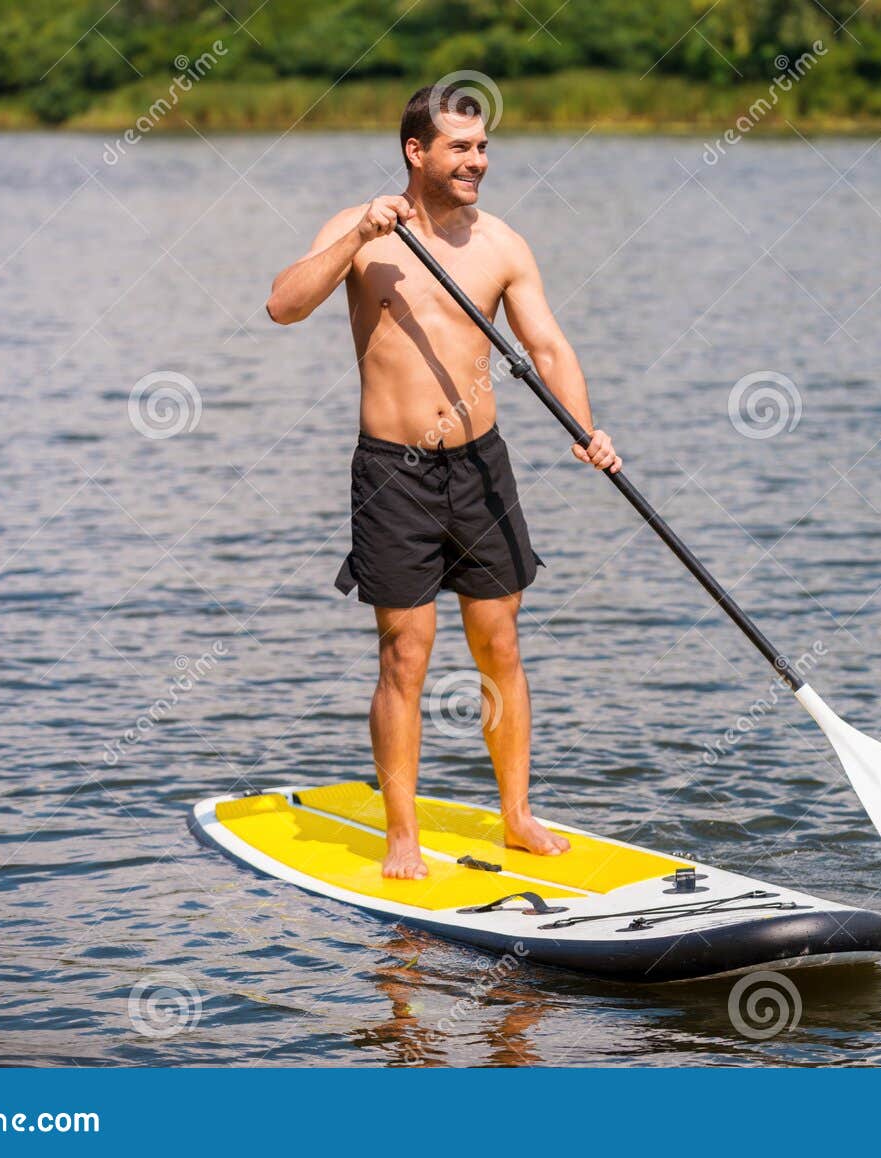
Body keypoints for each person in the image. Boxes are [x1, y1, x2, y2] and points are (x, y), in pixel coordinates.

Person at [265, 83, 621, 879]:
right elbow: (282, 305)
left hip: (480, 465)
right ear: (415, 152)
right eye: (460, 147)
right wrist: (359, 231)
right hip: (395, 473)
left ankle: (518, 816)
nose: (477, 162)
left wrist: (585, 430)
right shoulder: (364, 235)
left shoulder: (501, 244)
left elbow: (550, 347)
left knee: (500, 644)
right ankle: (401, 834)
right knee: (405, 654)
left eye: (484, 146)